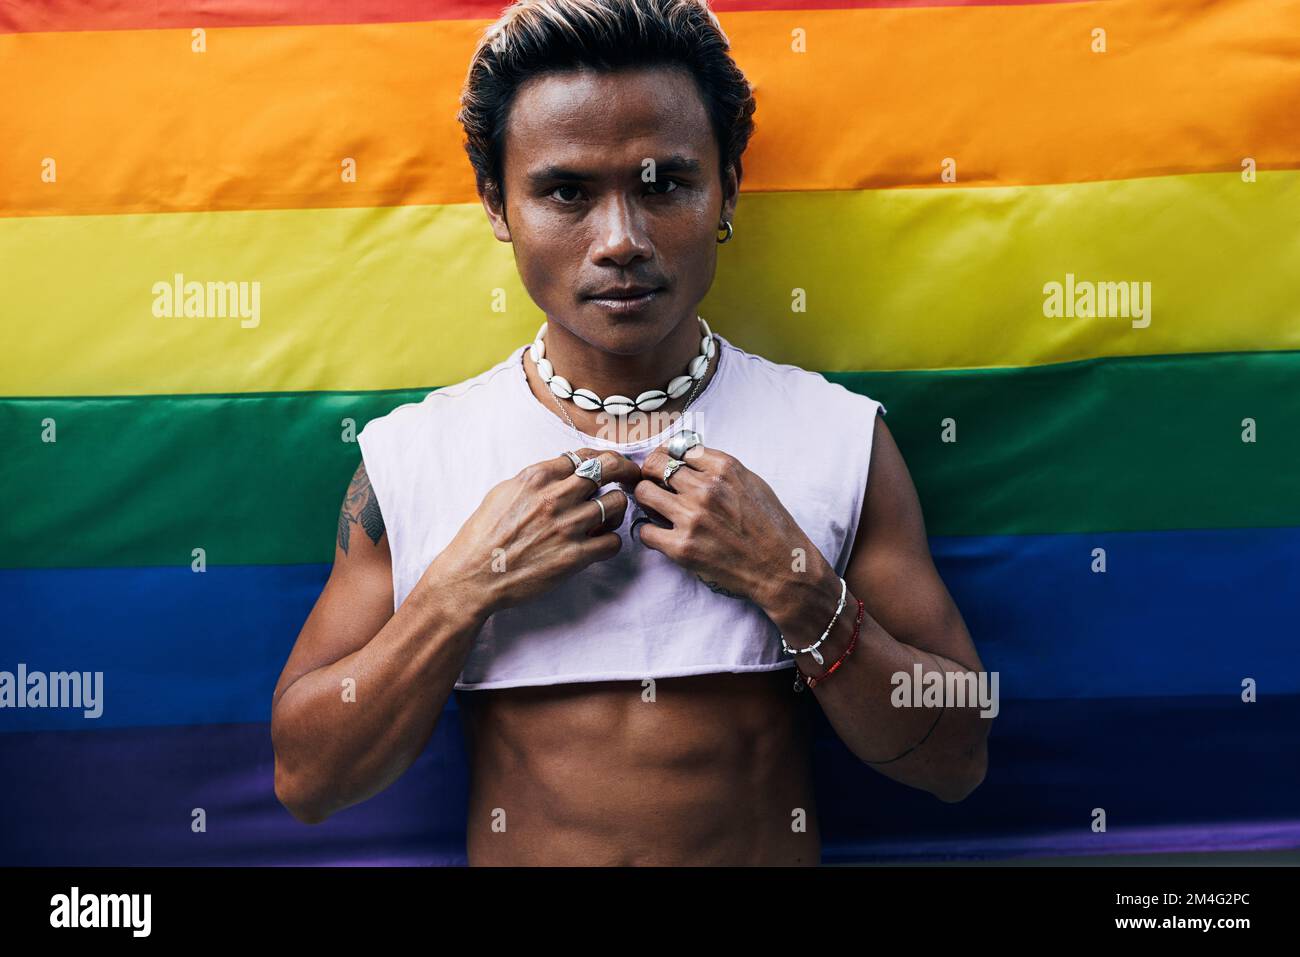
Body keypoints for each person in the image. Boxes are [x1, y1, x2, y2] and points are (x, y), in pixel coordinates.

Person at [271, 0, 989, 865]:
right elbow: (307, 780)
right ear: (498, 203)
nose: (620, 240)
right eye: (566, 191)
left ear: (726, 187)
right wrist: (458, 590)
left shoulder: (838, 435)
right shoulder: (415, 456)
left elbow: (958, 759)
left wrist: (796, 587)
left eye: (664, 184)